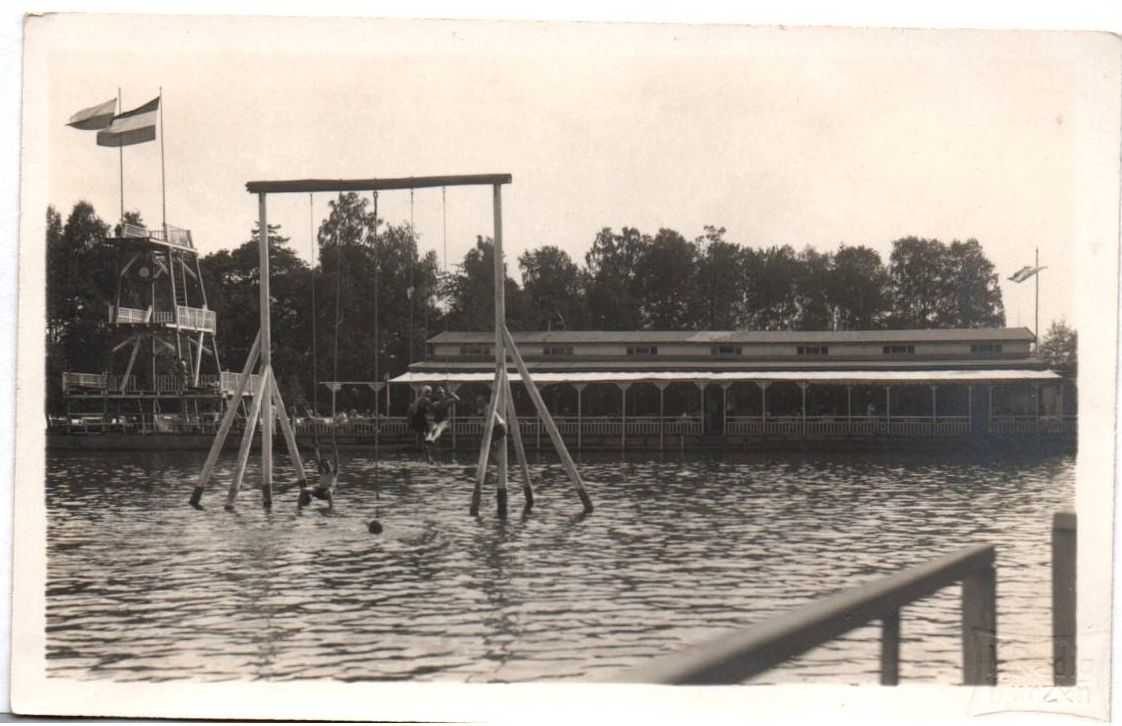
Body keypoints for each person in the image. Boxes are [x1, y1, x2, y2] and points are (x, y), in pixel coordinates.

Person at [408, 385, 435, 462]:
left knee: (422, 438)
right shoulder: (426, 400)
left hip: (416, 420)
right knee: (427, 438)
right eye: (430, 393)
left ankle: (425, 456)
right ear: (427, 393)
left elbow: (410, 411)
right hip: (421, 420)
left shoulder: (417, 400)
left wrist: (410, 422)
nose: (430, 394)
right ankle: (428, 457)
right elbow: (433, 408)